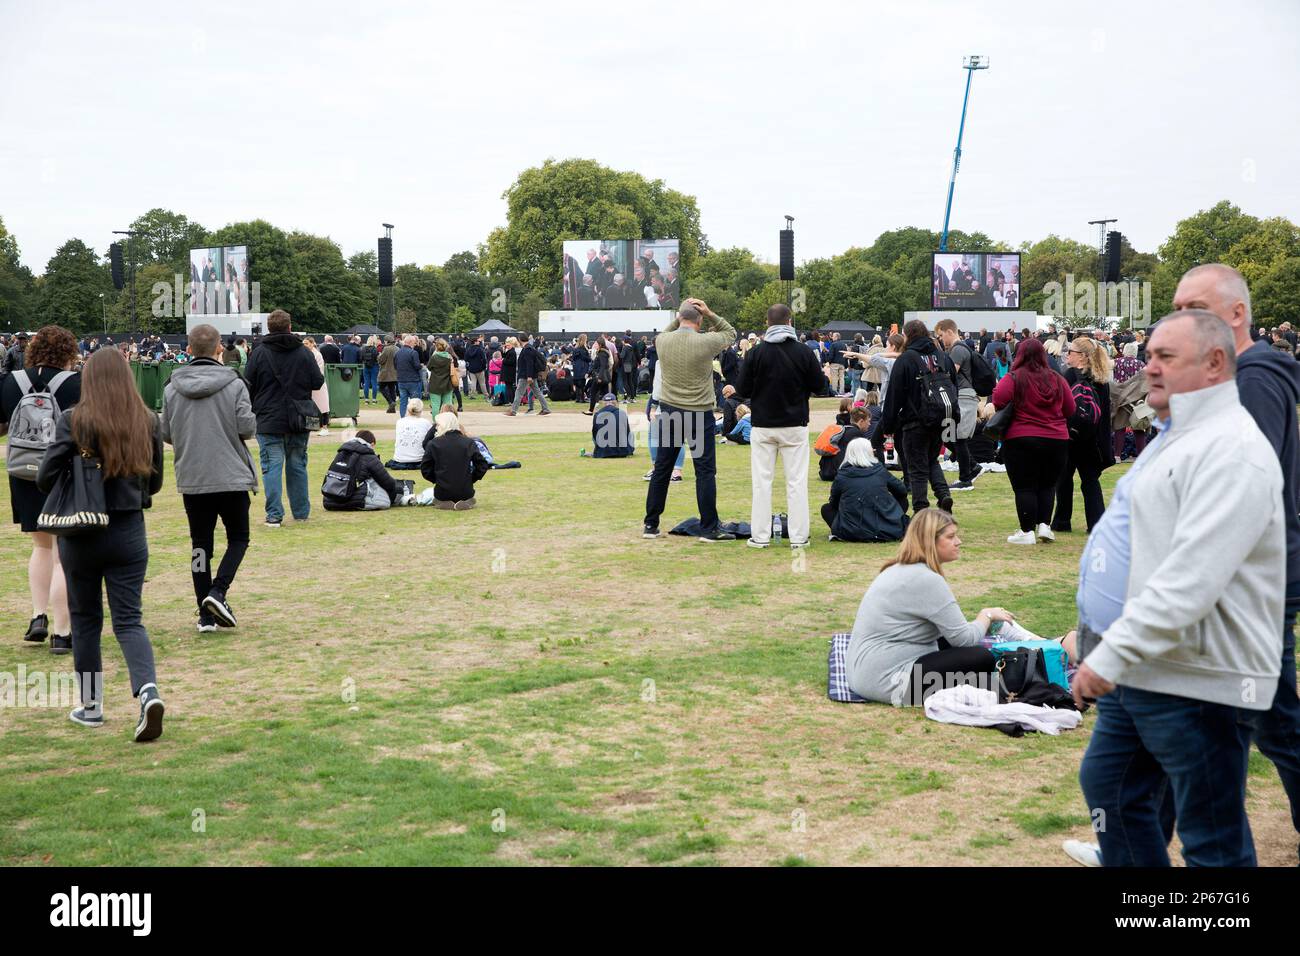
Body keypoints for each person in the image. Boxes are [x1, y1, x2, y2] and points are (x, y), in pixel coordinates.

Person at [1074, 310, 1285, 867]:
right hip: (1146, 662)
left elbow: (1193, 578)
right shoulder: (1179, 434)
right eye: (1148, 356)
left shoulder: (1231, 448)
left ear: (1215, 363)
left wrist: (1108, 654)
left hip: (1199, 672)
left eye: (1167, 357)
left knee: (1211, 838)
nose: (1151, 369)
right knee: (1111, 789)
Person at [1173, 264, 1300, 857]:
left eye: (1196, 306)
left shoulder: (1254, 379)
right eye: (1177, 307)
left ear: (1236, 315)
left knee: (1262, 720)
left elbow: (1245, 486)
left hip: (1253, 581)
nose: (1182, 317)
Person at [35, 348, 165, 741]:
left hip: (82, 532)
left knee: (87, 620)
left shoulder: (74, 420)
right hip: (129, 530)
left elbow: (45, 477)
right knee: (129, 620)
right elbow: (154, 482)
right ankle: (147, 691)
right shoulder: (146, 419)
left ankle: (91, 706)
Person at [845, 508, 1014, 706]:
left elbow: (952, 634)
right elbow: (964, 639)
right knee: (981, 658)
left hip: (863, 673)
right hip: (889, 682)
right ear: (930, 541)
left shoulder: (898, 569)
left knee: (951, 643)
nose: (958, 542)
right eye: (950, 537)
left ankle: (1015, 661)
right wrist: (987, 615)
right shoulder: (926, 579)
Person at [160, 324, 256, 633]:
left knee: (200, 545)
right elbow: (247, 428)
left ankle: (205, 612)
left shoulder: (171, 387)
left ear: (188, 349)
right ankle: (218, 591)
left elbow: (166, 433)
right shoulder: (235, 384)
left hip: (194, 475)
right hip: (230, 474)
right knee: (238, 538)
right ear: (219, 349)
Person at [1, 325, 79, 653]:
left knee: (41, 546)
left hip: (23, 470)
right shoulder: (76, 383)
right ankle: (62, 632)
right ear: (68, 352)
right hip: (63, 471)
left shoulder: (10, 382)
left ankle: (38, 615)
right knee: (64, 556)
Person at [642, 299, 737, 541]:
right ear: (700, 320)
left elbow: (665, 332)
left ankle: (651, 525)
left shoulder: (663, 341)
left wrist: (680, 314)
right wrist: (710, 313)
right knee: (704, 471)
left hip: (670, 410)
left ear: (679, 318)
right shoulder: (705, 341)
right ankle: (708, 527)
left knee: (662, 468)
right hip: (698, 412)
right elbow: (730, 333)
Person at [737, 303, 826, 548]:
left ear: (767, 324)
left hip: (763, 424)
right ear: (790, 323)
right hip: (794, 424)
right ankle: (798, 538)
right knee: (796, 483)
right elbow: (821, 387)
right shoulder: (803, 352)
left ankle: (761, 536)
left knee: (761, 482)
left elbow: (742, 389)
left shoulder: (755, 353)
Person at [242, 310, 325, 528]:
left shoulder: (259, 353)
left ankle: (274, 514)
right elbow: (317, 381)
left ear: (269, 328)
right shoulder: (303, 352)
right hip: (298, 417)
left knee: (272, 465)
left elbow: (247, 385)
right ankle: (300, 512)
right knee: (297, 464)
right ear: (290, 327)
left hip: (268, 418)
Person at [989, 337, 1074, 544]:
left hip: (1021, 438)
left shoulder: (1014, 378)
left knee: (1024, 486)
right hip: (1056, 439)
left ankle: (1027, 531)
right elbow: (1070, 408)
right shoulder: (1057, 378)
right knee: (1048, 484)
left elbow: (998, 399)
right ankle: (1044, 526)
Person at [879, 319, 957, 516]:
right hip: (940, 418)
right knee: (931, 459)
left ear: (908, 336)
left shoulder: (906, 359)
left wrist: (887, 425)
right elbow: (952, 386)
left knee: (916, 466)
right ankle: (943, 493)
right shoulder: (942, 357)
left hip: (915, 420)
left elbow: (894, 396)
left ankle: (921, 508)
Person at [1052, 336, 1113, 533]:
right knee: (1090, 481)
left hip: (1070, 436)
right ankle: (1096, 523)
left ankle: (1062, 521)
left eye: (1071, 352)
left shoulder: (1069, 375)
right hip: (1092, 439)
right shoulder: (1101, 380)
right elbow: (1104, 415)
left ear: (1083, 357)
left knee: (1064, 480)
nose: (1067, 355)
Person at [821, 438, 909, 542]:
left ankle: (852, 528)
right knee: (902, 499)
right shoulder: (880, 471)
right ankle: (889, 522)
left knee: (826, 509)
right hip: (885, 527)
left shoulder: (843, 475)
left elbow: (834, 503)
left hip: (852, 530)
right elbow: (902, 491)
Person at [935, 319, 981, 492]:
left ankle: (965, 479)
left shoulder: (958, 349)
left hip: (963, 396)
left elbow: (949, 374)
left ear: (949, 331)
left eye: (941, 335)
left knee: (957, 438)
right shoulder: (960, 349)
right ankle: (972, 467)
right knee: (948, 436)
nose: (940, 339)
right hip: (963, 396)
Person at [322, 430, 408, 511]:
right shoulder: (368, 456)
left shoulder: (342, 453)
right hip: (355, 499)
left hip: (329, 500)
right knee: (381, 486)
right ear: (372, 444)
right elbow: (388, 483)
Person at [420, 411, 489, 509]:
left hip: (442, 491)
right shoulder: (468, 442)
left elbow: (425, 469)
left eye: (438, 425)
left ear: (444, 425)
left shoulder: (433, 444)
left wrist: (437, 479)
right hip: (465, 490)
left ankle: (445, 502)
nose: (436, 428)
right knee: (466, 496)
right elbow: (482, 465)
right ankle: (465, 502)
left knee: (438, 498)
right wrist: (471, 479)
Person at [820, 404, 873, 481]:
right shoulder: (857, 434)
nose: (869, 424)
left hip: (825, 472)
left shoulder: (843, 430)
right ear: (861, 421)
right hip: (838, 473)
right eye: (868, 421)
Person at [508, 336, 551, 417]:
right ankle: (545, 409)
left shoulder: (527, 349)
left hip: (526, 375)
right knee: (537, 392)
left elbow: (529, 363)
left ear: (520, 340)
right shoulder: (530, 348)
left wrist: (529, 376)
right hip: (530, 374)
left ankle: (513, 411)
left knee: (519, 392)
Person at [389, 397, 431, 469]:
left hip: (400, 459)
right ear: (421, 410)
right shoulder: (426, 422)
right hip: (419, 459)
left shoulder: (400, 422)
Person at [591, 393, 635, 458]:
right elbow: (627, 432)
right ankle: (628, 451)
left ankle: (601, 449)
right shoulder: (622, 413)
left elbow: (594, 434)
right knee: (631, 433)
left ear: (603, 402)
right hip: (622, 452)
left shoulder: (597, 414)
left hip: (603, 452)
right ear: (615, 402)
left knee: (595, 434)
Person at [303, 337, 330, 435]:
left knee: (323, 407)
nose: (305, 345)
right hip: (308, 385)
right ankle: (312, 427)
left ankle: (325, 427)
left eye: (306, 343)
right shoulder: (304, 354)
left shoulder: (317, 355)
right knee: (311, 407)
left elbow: (319, 370)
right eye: (304, 343)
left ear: (312, 343)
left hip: (318, 384)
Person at [394, 334, 423, 418]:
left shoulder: (397, 353)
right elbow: (417, 366)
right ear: (410, 342)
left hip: (401, 380)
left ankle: (403, 418)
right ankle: (415, 418)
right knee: (415, 402)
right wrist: (421, 366)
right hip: (413, 380)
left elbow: (395, 366)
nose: (415, 344)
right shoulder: (413, 353)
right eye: (414, 343)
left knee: (403, 401)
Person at [426, 338, 456, 415]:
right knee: (448, 405)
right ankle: (448, 420)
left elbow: (429, 367)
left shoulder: (434, 357)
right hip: (447, 384)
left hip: (435, 384)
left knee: (435, 405)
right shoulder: (449, 358)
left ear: (436, 347)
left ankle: (436, 423)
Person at [586, 340, 613, 415]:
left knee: (593, 392)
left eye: (596, 344)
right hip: (604, 376)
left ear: (600, 344)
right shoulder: (604, 352)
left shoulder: (602, 353)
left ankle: (591, 410)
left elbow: (602, 366)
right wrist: (589, 373)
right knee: (606, 394)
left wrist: (599, 377)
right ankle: (609, 410)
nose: (595, 345)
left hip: (600, 376)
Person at [377, 334, 398, 413]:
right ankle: (392, 408)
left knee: (381, 388)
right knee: (392, 389)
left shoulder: (386, 349)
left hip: (386, 372)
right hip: (395, 372)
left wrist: (379, 356)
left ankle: (390, 402)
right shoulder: (397, 348)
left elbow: (381, 361)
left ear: (387, 341)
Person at [360, 335, 381, 404]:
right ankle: (374, 400)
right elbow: (377, 359)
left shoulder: (363, 348)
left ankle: (366, 399)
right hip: (374, 366)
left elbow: (361, 358)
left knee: (366, 383)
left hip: (366, 367)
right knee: (374, 382)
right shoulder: (375, 349)